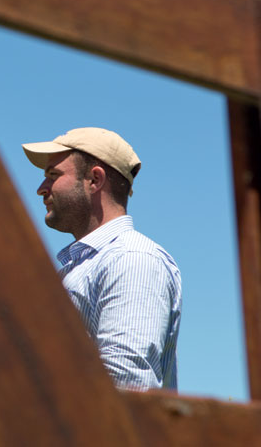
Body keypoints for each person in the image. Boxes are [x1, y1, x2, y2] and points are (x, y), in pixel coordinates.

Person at [22, 127, 181, 390]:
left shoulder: (132, 259)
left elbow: (127, 384)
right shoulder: (80, 267)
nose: (41, 189)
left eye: (53, 175)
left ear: (94, 180)